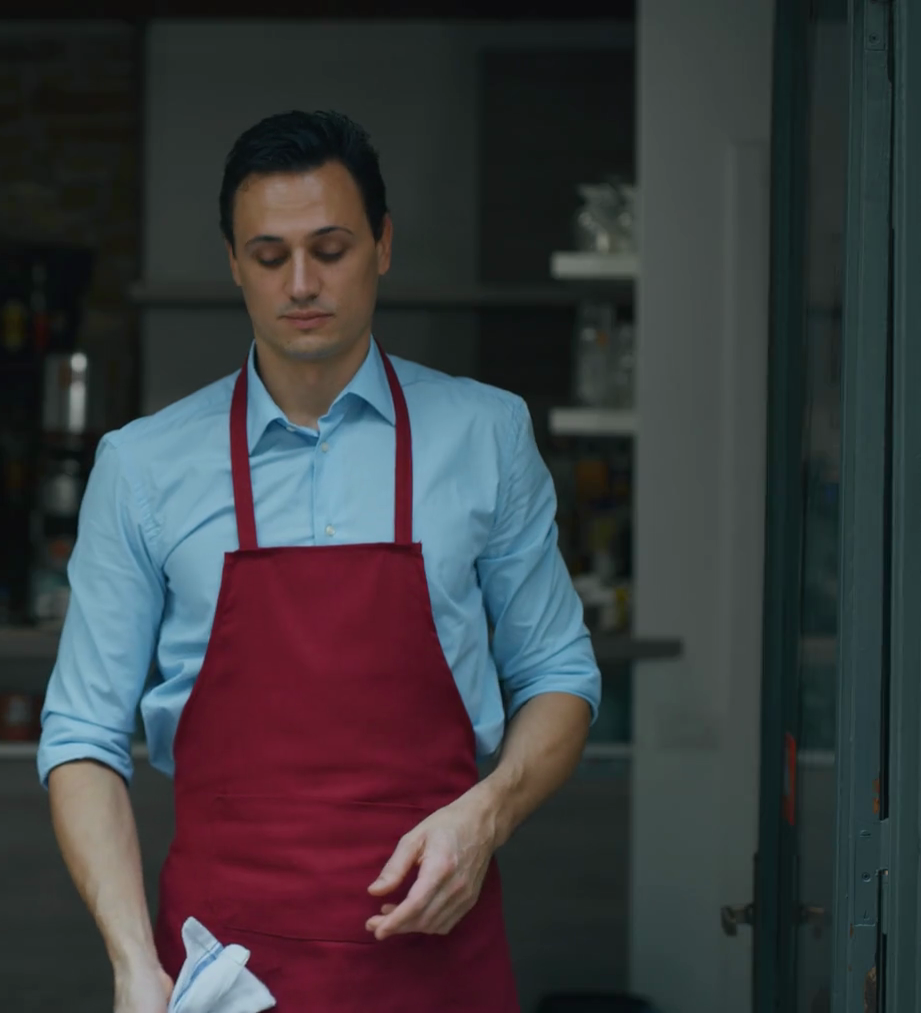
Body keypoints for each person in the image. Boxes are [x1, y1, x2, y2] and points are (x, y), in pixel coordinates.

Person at [39, 109, 601, 1012]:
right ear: (232, 262)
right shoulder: (142, 466)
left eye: (330, 248)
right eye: (268, 256)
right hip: (227, 975)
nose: (300, 283)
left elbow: (561, 674)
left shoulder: (487, 434)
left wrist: (487, 814)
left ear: (383, 244)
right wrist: (133, 960)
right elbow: (80, 738)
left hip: (437, 966)